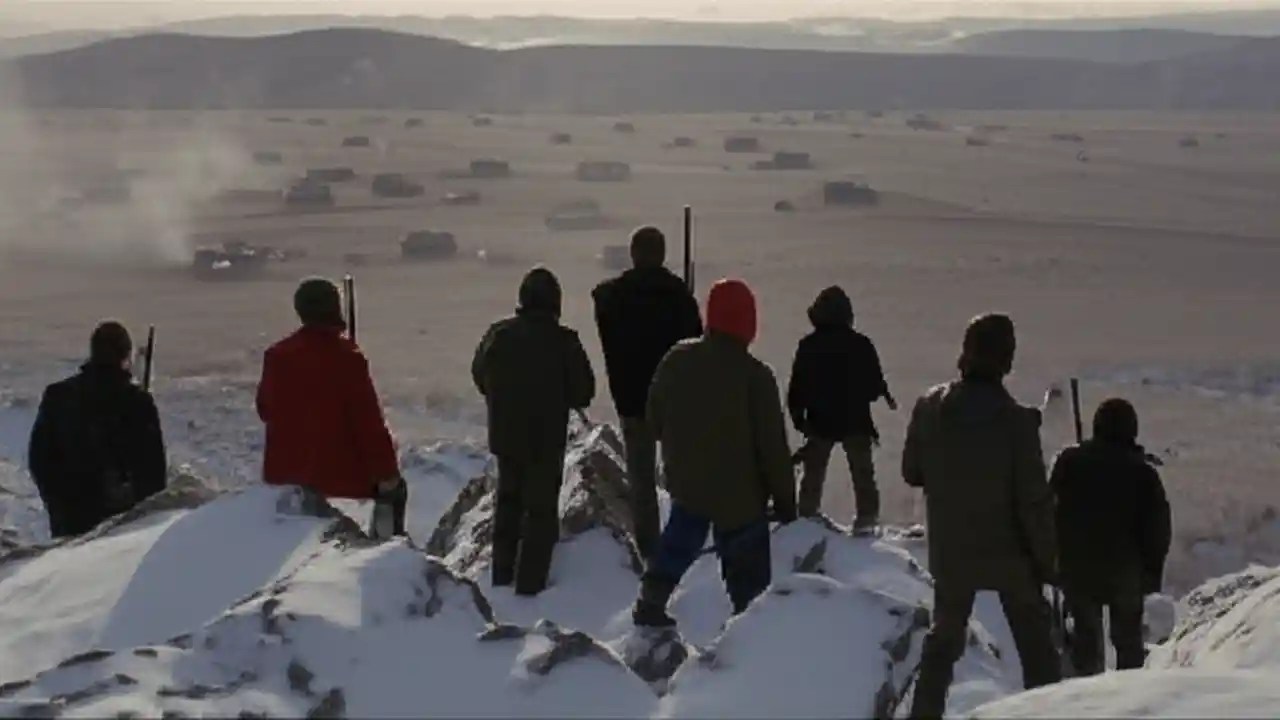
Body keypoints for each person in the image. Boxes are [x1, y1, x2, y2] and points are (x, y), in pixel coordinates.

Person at [902, 314, 1060, 718]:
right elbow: (1033, 502)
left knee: (943, 646)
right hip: (1010, 558)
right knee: (1038, 652)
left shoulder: (929, 407)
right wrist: (1049, 562)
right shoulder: (1017, 423)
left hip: (952, 554)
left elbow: (911, 471)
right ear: (1006, 360)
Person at [632, 278, 796, 628]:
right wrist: (785, 502)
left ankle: (651, 600)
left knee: (678, 540)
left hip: (688, 483)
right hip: (742, 498)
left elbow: (654, 418)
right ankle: (748, 631)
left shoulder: (676, 360)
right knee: (748, 574)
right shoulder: (756, 378)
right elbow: (773, 450)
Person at [472, 267, 596, 596]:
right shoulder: (565, 341)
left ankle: (501, 578)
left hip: (506, 434)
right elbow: (584, 392)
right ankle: (530, 588)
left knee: (508, 505)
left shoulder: (498, 334)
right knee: (540, 513)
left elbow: (479, 374)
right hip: (546, 439)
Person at [592, 226, 702, 561]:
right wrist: (684, 294)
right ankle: (682, 546)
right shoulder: (678, 297)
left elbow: (601, 296)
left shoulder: (614, 296)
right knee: (680, 475)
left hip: (631, 399)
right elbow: (695, 342)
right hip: (672, 401)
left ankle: (650, 551)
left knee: (641, 482)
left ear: (633, 254)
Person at [257, 278, 403, 528]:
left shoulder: (277, 355)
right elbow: (368, 424)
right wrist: (387, 474)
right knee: (395, 495)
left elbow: (265, 409)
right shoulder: (347, 358)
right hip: (337, 478)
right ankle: (385, 549)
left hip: (285, 477)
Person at [1050, 398, 1172, 675]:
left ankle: (1086, 705)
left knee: (1085, 647)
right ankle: (1127, 703)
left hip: (1077, 568)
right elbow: (1157, 530)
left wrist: (1054, 561)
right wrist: (1151, 573)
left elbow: (1050, 513)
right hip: (1125, 572)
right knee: (1128, 646)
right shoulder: (1142, 473)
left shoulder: (1069, 462)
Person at [29, 321, 167, 539]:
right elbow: (155, 476)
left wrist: (58, 506)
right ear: (126, 357)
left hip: (68, 523)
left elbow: (39, 461)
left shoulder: (58, 395)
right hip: (119, 529)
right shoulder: (138, 404)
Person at [787, 285, 896, 532]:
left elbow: (797, 389)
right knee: (863, 476)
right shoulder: (861, 344)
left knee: (812, 478)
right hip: (855, 420)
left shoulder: (809, 345)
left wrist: (800, 420)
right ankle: (866, 522)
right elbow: (872, 385)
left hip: (820, 422)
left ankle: (805, 523)